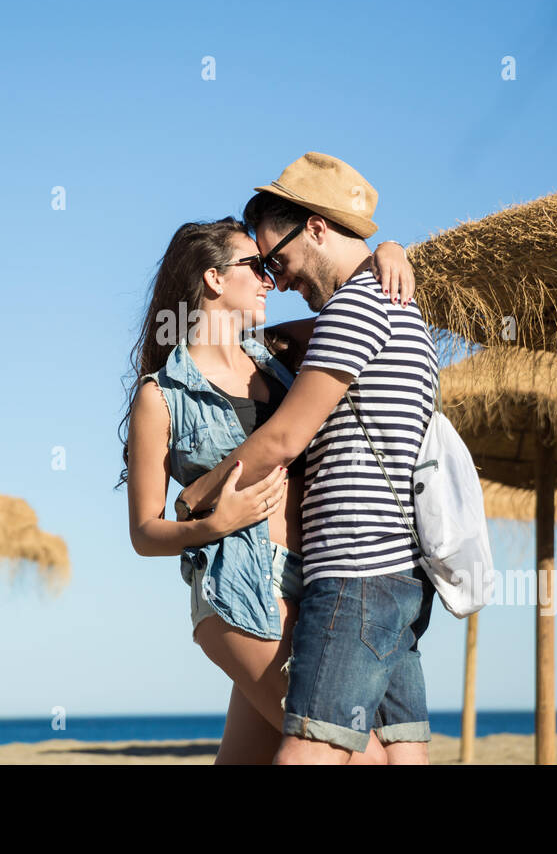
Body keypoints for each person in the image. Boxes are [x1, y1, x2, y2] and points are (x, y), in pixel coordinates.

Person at [120, 212, 416, 764]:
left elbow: (356, 305)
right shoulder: (160, 397)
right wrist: (210, 525)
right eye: (256, 267)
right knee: (360, 755)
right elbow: (143, 532)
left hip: (316, 581)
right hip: (239, 591)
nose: (271, 280)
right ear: (212, 279)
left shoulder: (278, 354)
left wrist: (388, 252)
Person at [176, 153, 439, 765]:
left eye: (278, 259)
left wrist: (198, 496)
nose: (277, 277)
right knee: (400, 751)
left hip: (353, 570)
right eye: (260, 267)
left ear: (316, 227)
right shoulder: (387, 301)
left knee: (310, 746)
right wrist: (386, 250)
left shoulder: (353, 311)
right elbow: (267, 339)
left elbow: (283, 441)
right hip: (397, 571)